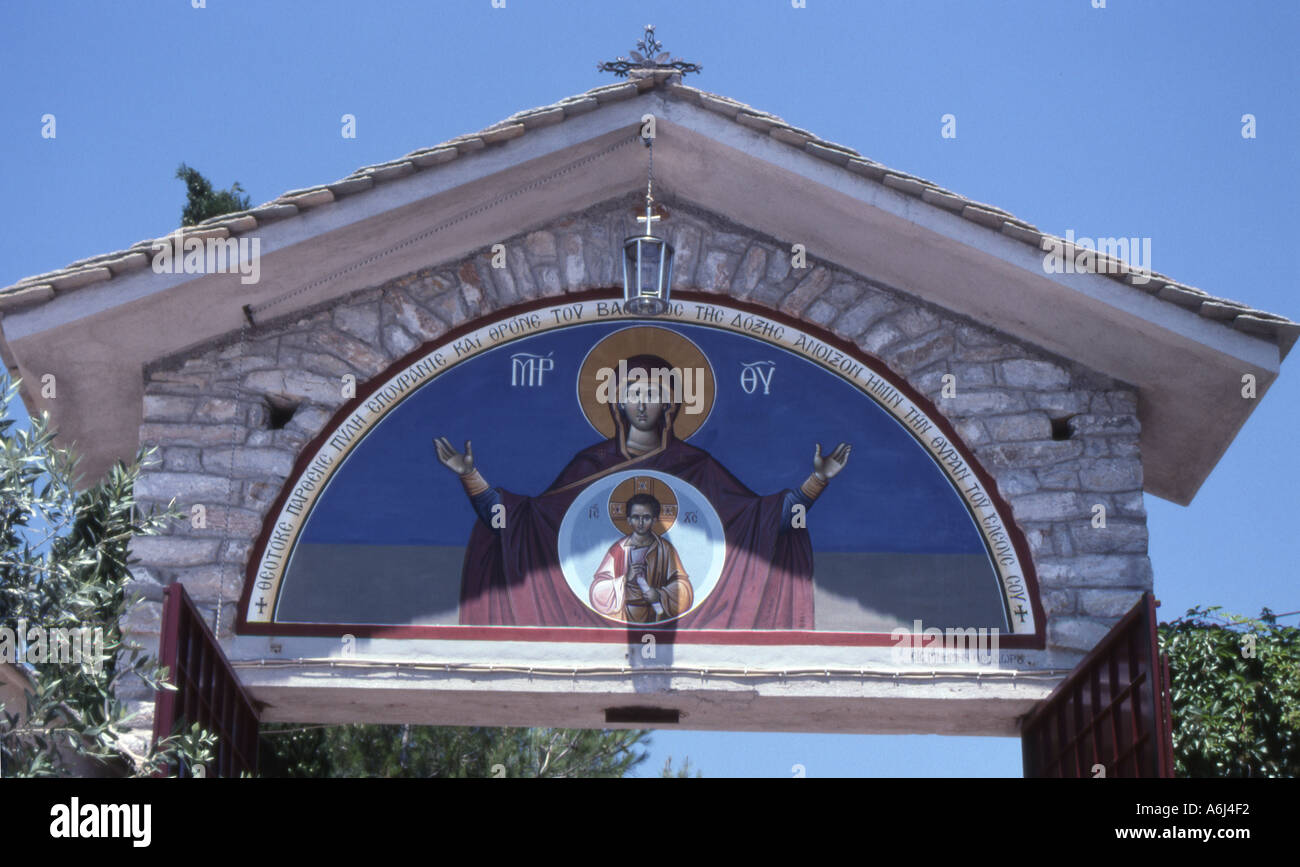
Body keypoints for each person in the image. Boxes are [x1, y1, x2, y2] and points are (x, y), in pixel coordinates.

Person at [435, 352, 850, 629]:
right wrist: (470, 476)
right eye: (632, 392)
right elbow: (526, 524)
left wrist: (820, 479)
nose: (641, 402)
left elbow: (758, 521)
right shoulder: (589, 467)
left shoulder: (697, 468)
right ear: (615, 403)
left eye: (653, 394)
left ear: (670, 405)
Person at [590, 493, 693, 623]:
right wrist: (626, 578)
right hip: (624, 614)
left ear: (655, 520)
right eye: (635, 517)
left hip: (657, 615)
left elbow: (684, 586)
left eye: (646, 517)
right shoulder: (618, 550)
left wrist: (660, 595)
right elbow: (596, 590)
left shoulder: (665, 549)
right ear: (628, 520)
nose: (640, 523)